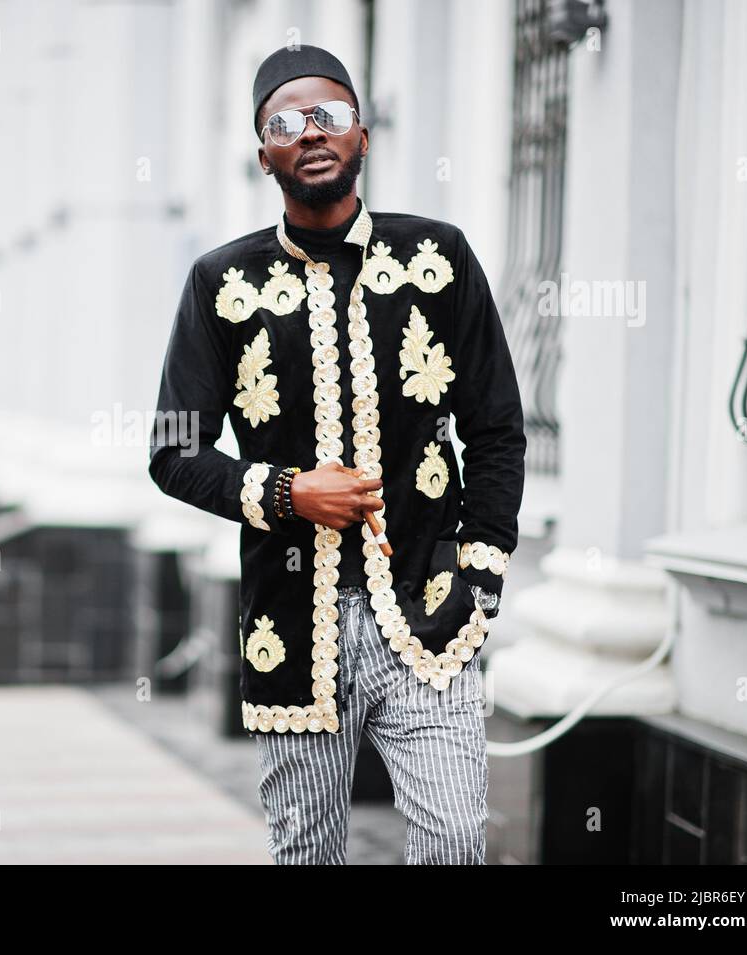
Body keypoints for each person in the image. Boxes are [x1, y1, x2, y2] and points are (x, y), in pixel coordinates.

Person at [146, 44, 526, 864]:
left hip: (429, 616)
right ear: (263, 155)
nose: (310, 133)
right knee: (309, 851)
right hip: (290, 627)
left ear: (363, 135)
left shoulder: (439, 259)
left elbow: (495, 428)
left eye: (329, 116)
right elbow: (174, 451)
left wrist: (482, 577)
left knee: (455, 842)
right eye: (286, 123)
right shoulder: (221, 283)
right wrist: (287, 491)